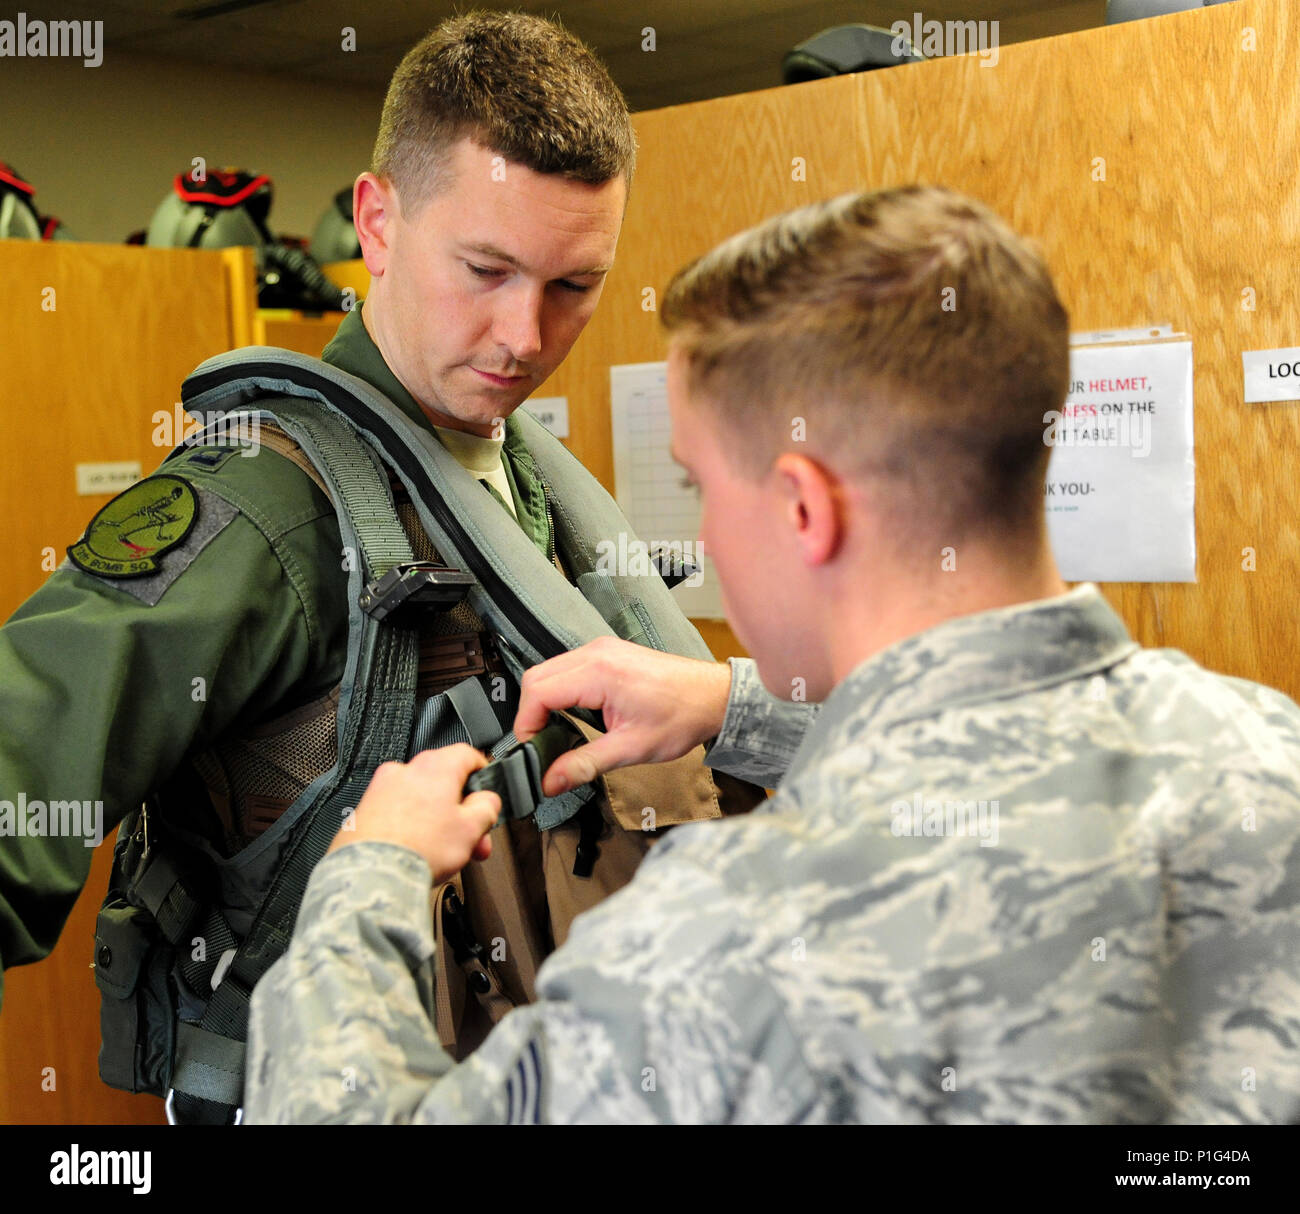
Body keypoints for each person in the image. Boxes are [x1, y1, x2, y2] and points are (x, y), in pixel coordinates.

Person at [244, 184, 1300, 1124]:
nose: (702, 539)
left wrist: (367, 877)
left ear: (802, 508)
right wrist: (734, 703)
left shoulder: (726, 943)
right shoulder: (1268, 754)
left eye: (703, 486)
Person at [0, 10, 755, 1111]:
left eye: (572, 287)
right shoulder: (258, 509)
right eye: (485, 268)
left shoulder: (518, 470)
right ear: (378, 222)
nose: (523, 337)